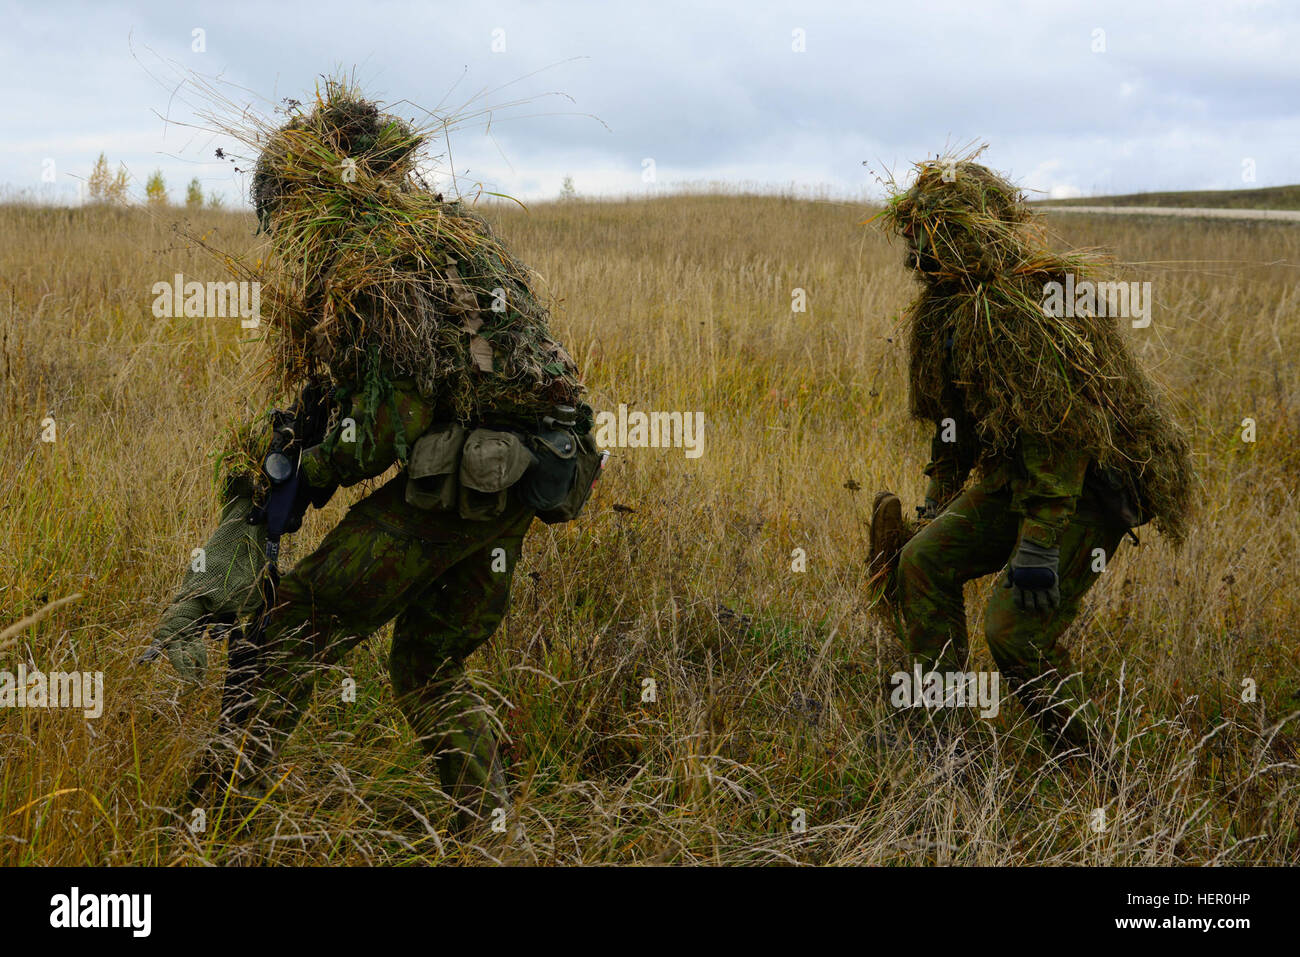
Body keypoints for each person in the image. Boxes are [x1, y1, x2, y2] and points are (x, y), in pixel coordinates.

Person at [142, 83, 603, 835]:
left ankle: (210, 824)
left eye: (285, 213)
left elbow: (392, 422)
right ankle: (486, 833)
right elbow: (420, 376)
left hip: (461, 489)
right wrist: (313, 421)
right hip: (521, 477)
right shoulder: (444, 232)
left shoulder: (376, 261)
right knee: (428, 669)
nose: (286, 233)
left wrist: (311, 474)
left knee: (288, 632)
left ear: (313, 194)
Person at [869, 155, 1193, 761]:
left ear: (967, 230)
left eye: (926, 228)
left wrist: (1040, 542)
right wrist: (938, 501)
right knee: (921, 563)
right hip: (1011, 477)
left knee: (1014, 633)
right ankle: (942, 739)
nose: (913, 244)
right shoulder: (943, 311)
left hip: (1086, 485)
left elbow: (1063, 433)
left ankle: (1093, 768)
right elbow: (949, 425)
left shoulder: (1027, 305)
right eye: (910, 229)